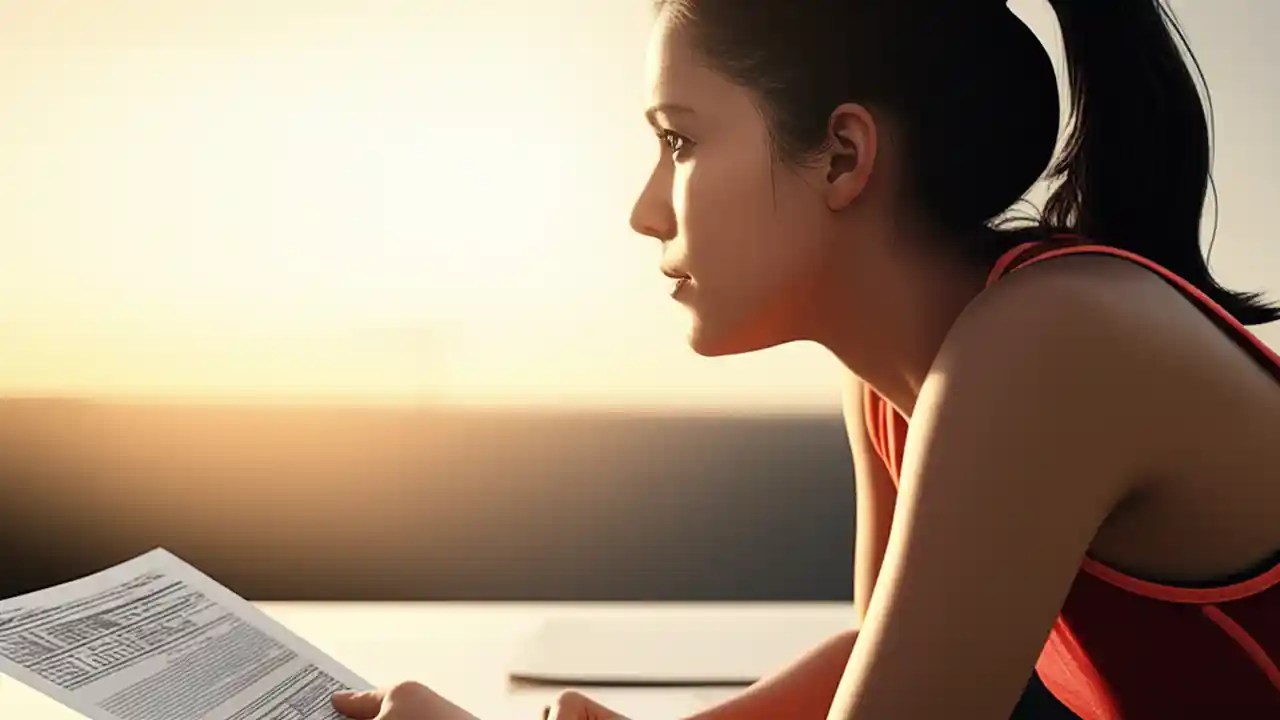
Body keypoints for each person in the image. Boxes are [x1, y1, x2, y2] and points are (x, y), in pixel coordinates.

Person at [332, 0, 1280, 717]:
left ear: (841, 156)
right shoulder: (901, 381)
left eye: (679, 141)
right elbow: (886, 649)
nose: (647, 210)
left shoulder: (1050, 341)